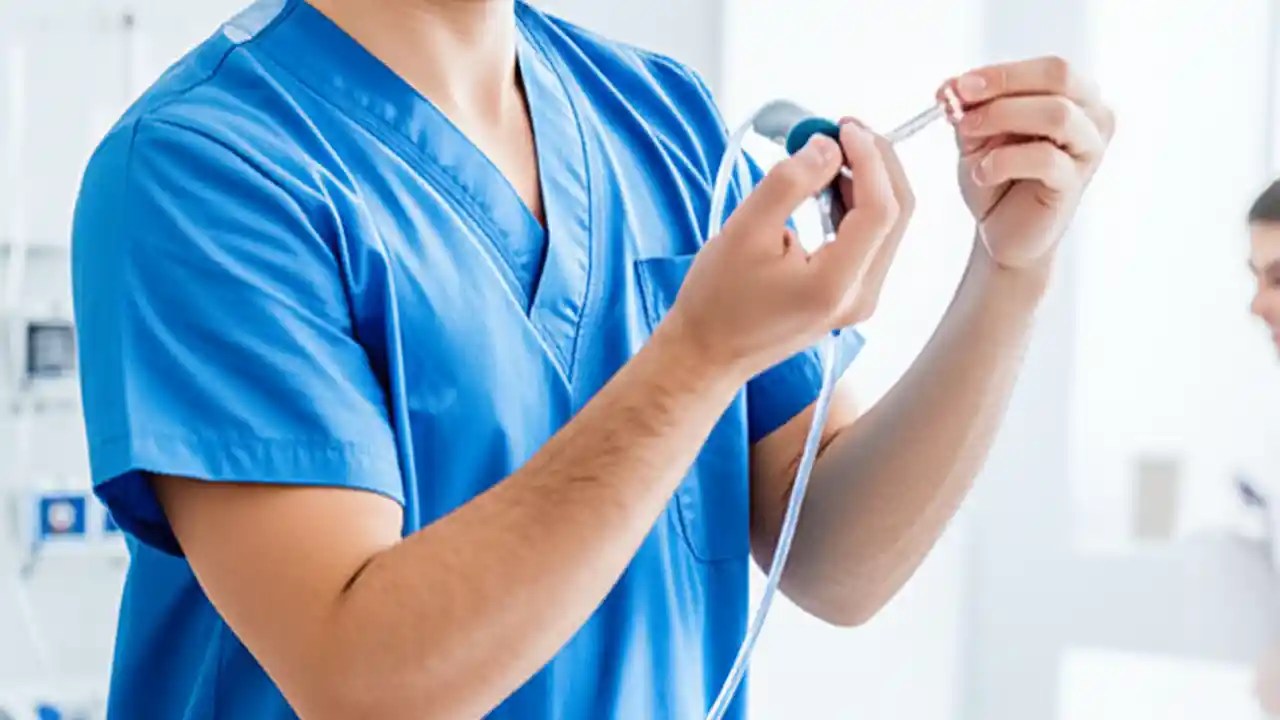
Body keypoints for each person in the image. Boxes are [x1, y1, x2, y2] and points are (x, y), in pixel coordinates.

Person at [69, 0, 1114, 718]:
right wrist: (695, 356)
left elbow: (833, 557)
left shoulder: (664, 121)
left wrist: (1006, 273)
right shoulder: (207, 165)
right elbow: (359, 679)